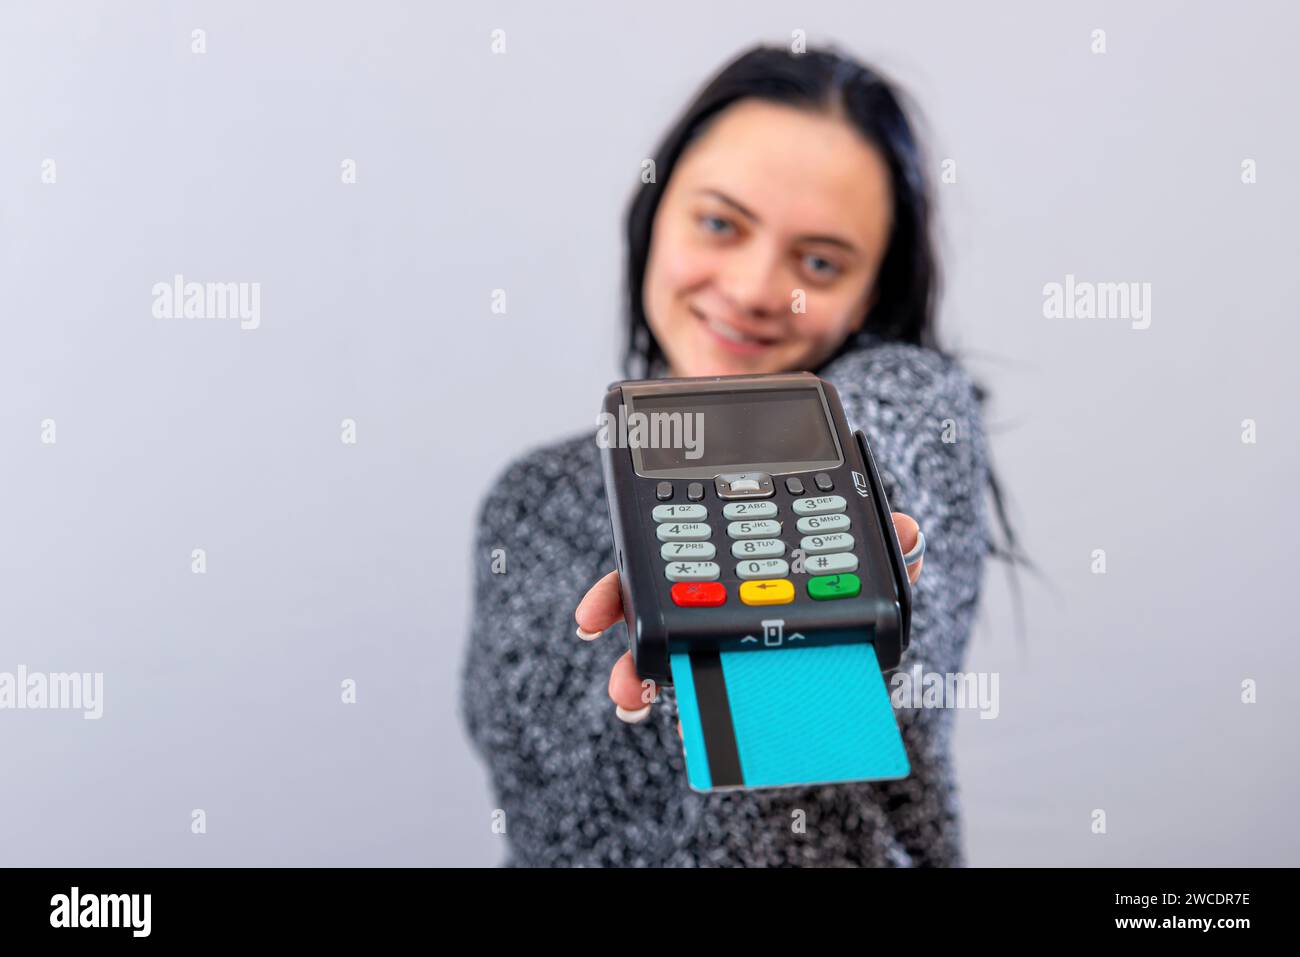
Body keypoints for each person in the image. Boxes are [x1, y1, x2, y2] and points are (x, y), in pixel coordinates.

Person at [460, 43, 1013, 866]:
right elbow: (551, 811)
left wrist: (770, 571)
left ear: (872, 295)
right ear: (653, 218)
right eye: (720, 223)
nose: (757, 288)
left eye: (820, 261)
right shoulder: (532, 496)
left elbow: (792, 765)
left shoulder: (908, 411)